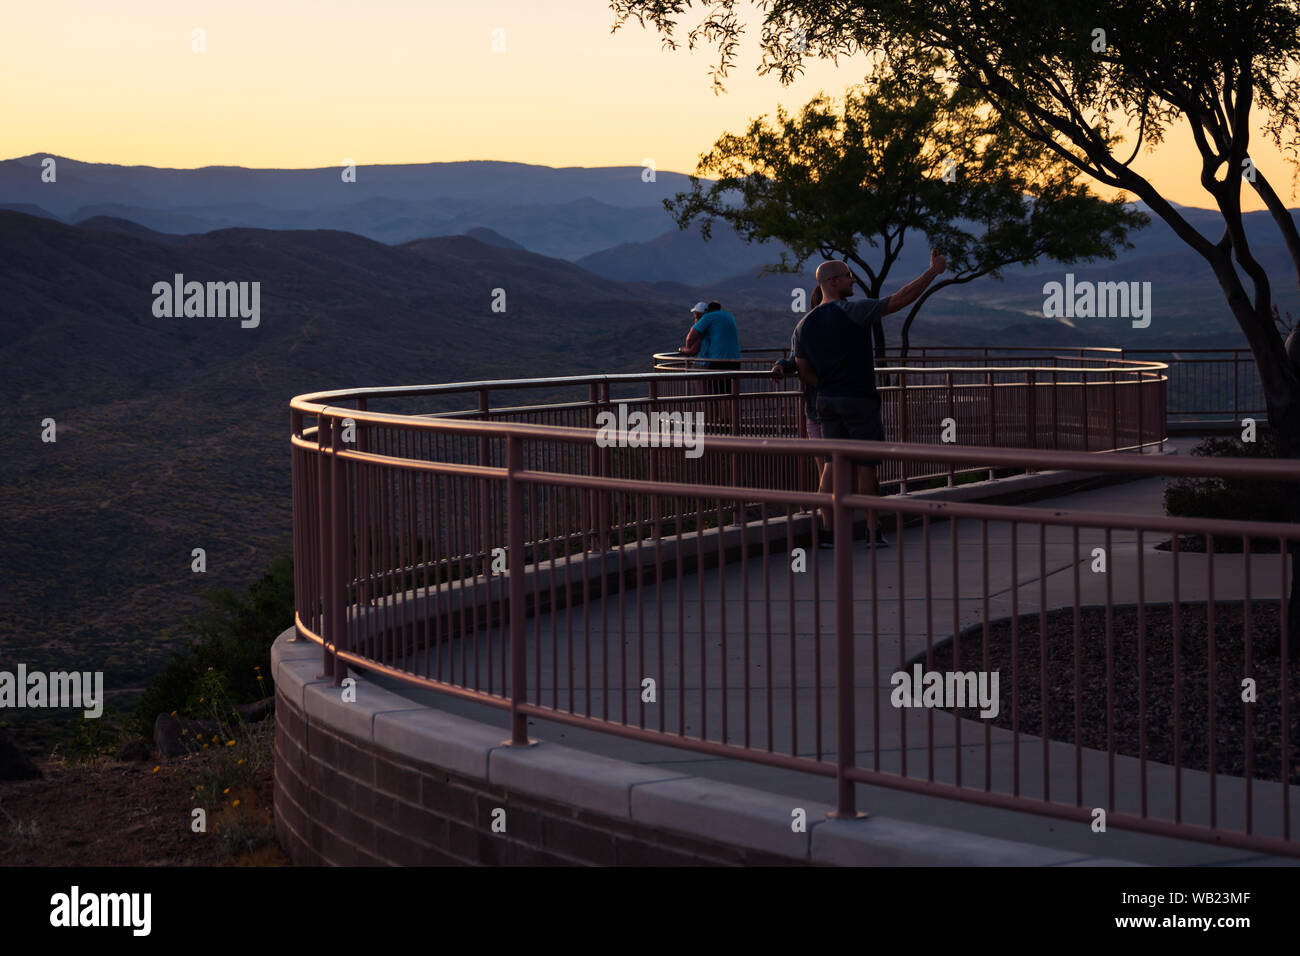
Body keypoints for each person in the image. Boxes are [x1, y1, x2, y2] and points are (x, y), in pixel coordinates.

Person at [794, 251, 948, 547]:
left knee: (831, 464)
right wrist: (933, 272)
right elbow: (902, 298)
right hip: (859, 400)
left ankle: (828, 533)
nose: (853, 281)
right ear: (833, 281)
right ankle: (872, 531)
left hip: (826, 401)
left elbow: (802, 368)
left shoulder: (804, 324)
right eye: (848, 276)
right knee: (866, 466)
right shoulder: (854, 311)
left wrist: (825, 385)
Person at [680, 300, 741, 396]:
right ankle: (730, 411)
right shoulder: (729, 316)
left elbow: (691, 338)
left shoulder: (708, 317)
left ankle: (713, 410)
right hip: (735, 361)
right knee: (730, 394)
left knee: (716, 394)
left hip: (718, 362)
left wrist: (684, 349)